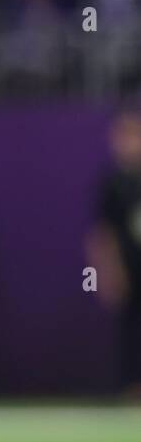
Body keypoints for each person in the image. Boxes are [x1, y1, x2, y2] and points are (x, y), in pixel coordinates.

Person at [88, 108, 141, 398]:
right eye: (125, 136)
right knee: (130, 331)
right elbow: (102, 234)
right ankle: (133, 390)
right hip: (129, 271)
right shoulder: (113, 183)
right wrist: (108, 272)